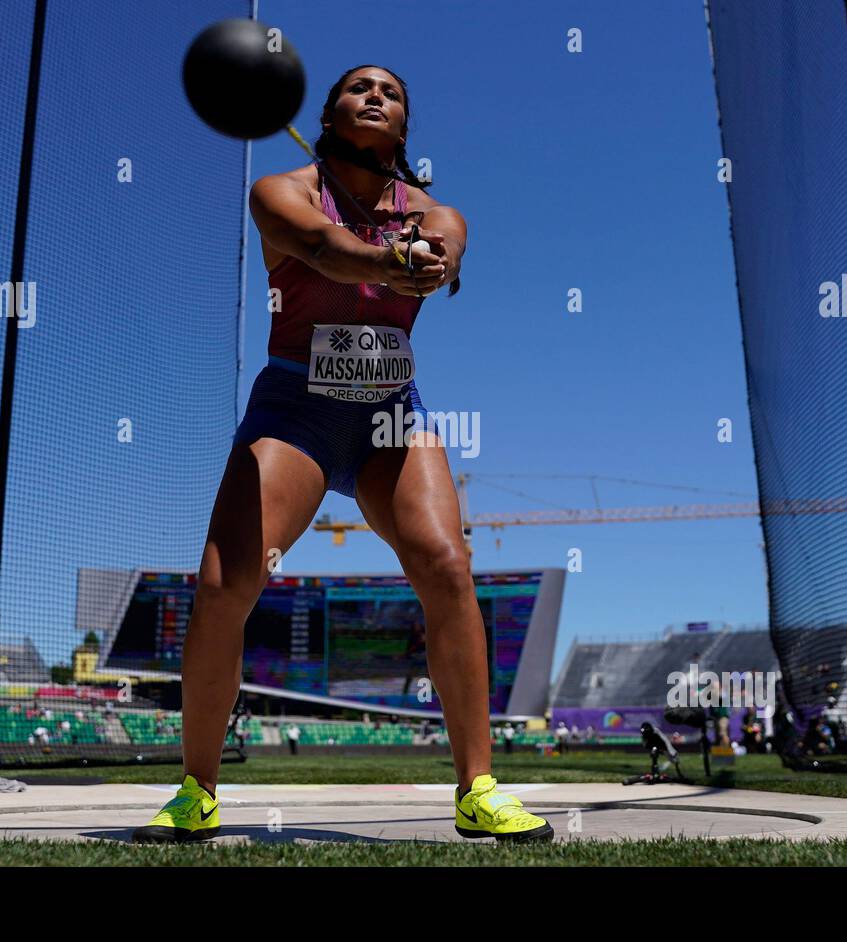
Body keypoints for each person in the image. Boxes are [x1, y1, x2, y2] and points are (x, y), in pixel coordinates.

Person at [133, 65, 550, 844]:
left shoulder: (438, 212)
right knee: (227, 584)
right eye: (359, 87)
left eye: (392, 93)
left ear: (403, 129)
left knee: (447, 565)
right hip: (298, 405)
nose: (375, 96)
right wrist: (385, 261)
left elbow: (446, 254)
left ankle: (478, 789)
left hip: (391, 412)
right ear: (327, 113)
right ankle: (196, 792)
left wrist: (431, 262)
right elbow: (324, 249)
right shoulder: (277, 191)